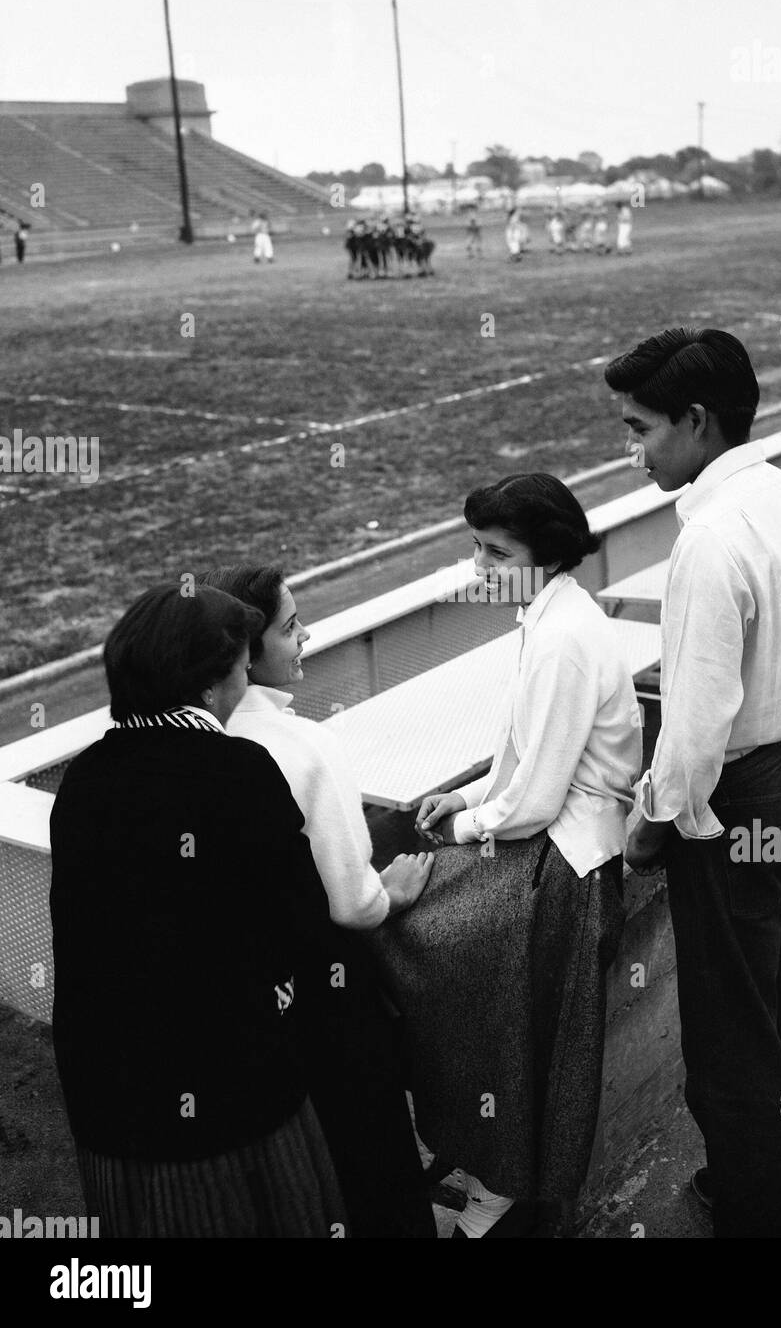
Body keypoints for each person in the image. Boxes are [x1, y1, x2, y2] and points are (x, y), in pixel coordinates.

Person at [605, 327, 781, 1239]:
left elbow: (696, 731)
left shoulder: (708, 540)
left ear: (697, 422)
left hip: (736, 797)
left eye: (639, 428)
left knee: (731, 1029)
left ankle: (759, 1215)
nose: (632, 450)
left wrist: (649, 829)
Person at [370, 473, 643, 1237]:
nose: (481, 567)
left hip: (566, 861)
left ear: (547, 553)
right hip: (547, 841)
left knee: (412, 934)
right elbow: (521, 755)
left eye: (496, 552)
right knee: (451, 966)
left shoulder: (561, 637)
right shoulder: (550, 616)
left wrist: (459, 832)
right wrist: (464, 798)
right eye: (477, 549)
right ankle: (479, 1153)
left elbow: (534, 804)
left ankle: (490, 1171)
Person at [49, 583, 347, 1237]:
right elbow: (303, 926)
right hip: (236, 1114)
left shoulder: (83, 779)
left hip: (111, 1110)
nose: (247, 677)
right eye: (242, 666)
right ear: (211, 686)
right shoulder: (239, 769)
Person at [199, 564, 436, 1238]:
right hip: (325, 993)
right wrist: (385, 895)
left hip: (245, 1005)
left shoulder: (197, 741)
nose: (307, 635)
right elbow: (351, 903)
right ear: (246, 651)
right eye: (292, 626)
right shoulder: (305, 747)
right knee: (374, 1150)